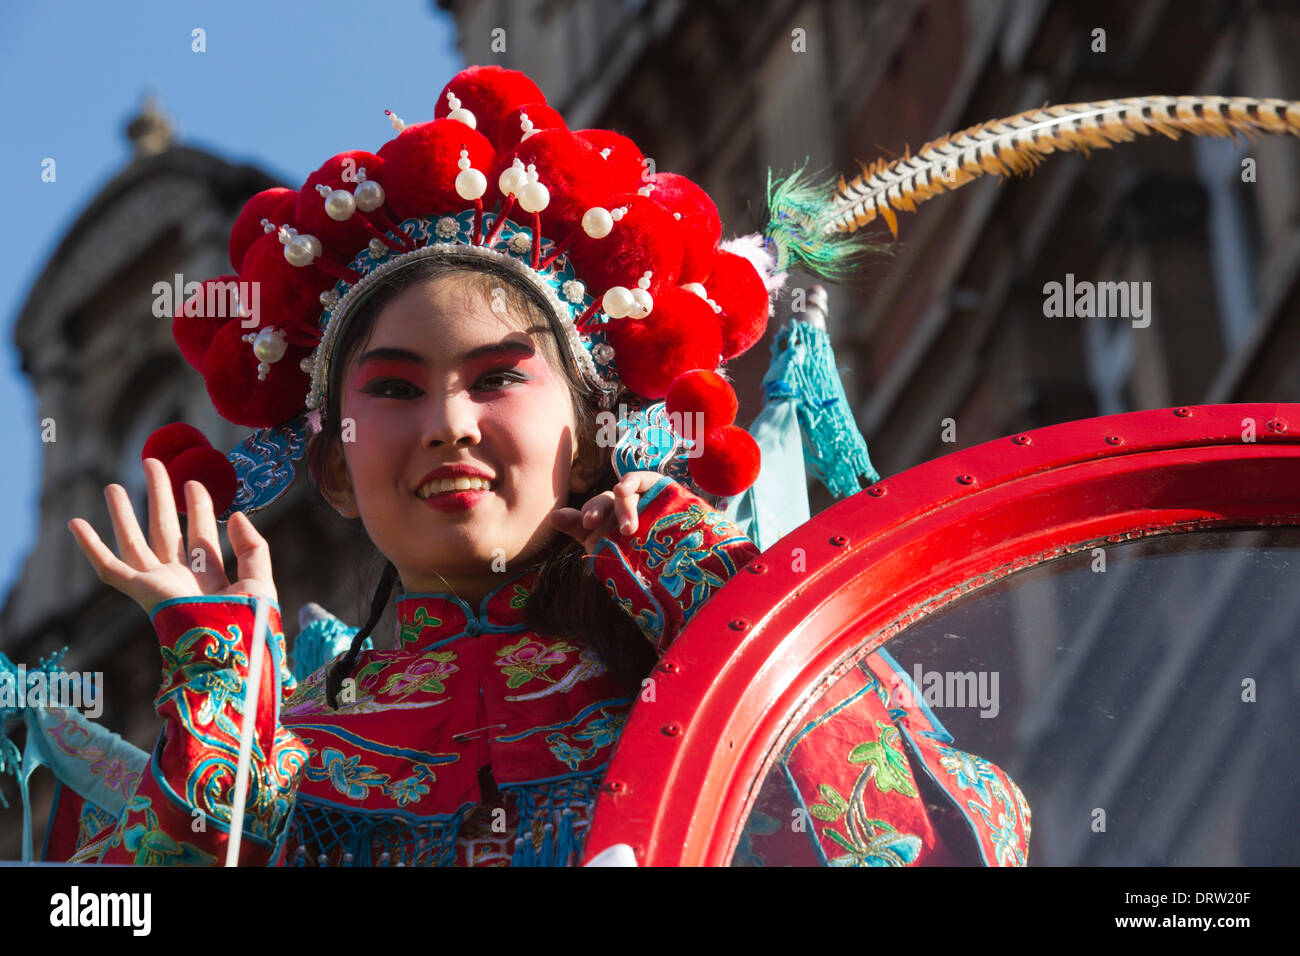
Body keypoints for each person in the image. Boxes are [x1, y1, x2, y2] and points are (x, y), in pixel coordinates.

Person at [36, 65, 1035, 866]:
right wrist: (219, 695)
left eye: (496, 378)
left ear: (593, 430)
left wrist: (709, 587)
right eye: (392, 390)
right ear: (333, 470)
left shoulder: (677, 666)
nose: (448, 425)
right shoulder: (295, 755)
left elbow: (927, 841)